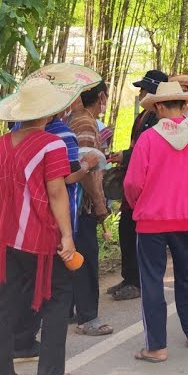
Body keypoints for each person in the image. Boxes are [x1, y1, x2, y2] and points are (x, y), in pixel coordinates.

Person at [0, 77, 92, 375]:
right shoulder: (52, 144)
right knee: (57, 297)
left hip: (0, 238)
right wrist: (67, 237)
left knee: (1, 304)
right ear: (48, 113)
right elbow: (57, 193)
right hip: (38, 237)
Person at [125, 81, 188, 362]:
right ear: (184, 105)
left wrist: (138, 205)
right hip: (186, 218)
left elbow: (133, 183)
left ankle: (156, 346)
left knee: (152, 280)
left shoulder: (148, 139)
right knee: (187, 275)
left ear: (161, 106)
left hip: (151, 220)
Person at [112, 68, 168, 302]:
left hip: (147, 186)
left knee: (138, 234)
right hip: (133, 182)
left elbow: (151, 151)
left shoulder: (159, 119)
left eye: (145, 89)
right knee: (126, 230)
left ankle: (137, 281)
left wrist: (125, 155)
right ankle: (129, 276)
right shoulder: (143, 115)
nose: (141, 93)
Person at [68, 81, 113, 338]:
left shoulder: (75, 119)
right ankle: (87, 317)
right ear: (101, 96)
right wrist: (98, 202)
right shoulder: (85, 124)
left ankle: (70, 310)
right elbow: (85, 169)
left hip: (75, 202)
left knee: (75, 258)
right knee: (86, 259)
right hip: (82, 203)